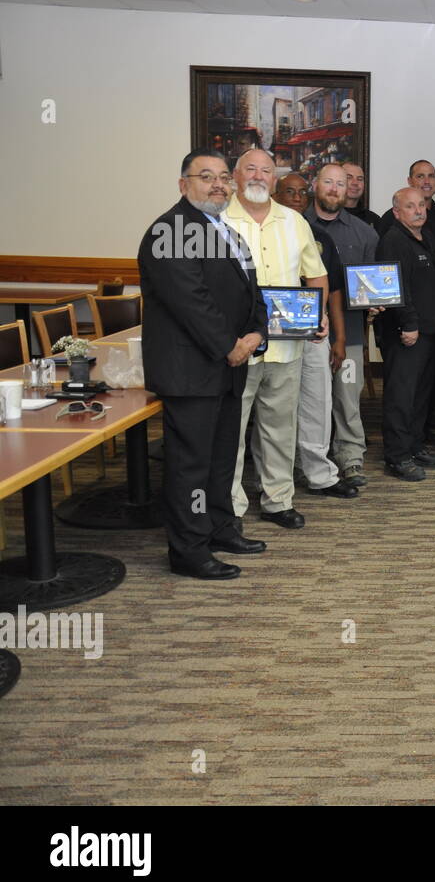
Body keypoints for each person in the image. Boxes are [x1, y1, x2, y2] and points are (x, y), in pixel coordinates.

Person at [137, 149, 268, 580]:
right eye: (205, 176)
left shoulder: (222, 229)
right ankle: (189, 550)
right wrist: (229, 344)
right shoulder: (169, 231)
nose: (218, 185)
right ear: (182, 184)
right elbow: (191, 301)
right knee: (190, 465)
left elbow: (251, 290)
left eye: (223, 178)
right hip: (192, 371)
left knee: (221, 458)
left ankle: (220, 527)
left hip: (229, 365)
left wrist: (255, 334)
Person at [222, 148, 329, 531]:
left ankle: (278, 500)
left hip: (286, 344)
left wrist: (320, 316)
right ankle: (230, 505)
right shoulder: (217, 219)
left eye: (265, 170)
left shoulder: (295, 221)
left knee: (280, 427)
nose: (257, 176)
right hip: (236, 346)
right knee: (230, 429)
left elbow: (315, 274)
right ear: (235, 176)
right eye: (249, 168)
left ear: (274, 179)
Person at [274, 175, 358, 502]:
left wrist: (338, 337)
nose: (296, 197)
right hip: (270, 330)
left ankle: (320, 474)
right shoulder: (256, 232)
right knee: (276, 407)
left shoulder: (316, 234)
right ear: (276, 195)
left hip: (312, 330)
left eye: (301, 193)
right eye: (288, 192)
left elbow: (332, 288)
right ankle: (281, 477)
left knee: (317, 402)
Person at [306, 163, 379, 489]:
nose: (335, 188)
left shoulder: (364, 233)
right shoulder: (296, 226)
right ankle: (303, 462)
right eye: (329, 182)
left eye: (341, 183)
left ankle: (350, 459)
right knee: (307, 403)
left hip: (348, 333)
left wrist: (377, 299)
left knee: (348, 399)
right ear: (315, 185)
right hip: (303, 338)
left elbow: (376, 281)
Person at [376, 187, 435, 481]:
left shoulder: (426, 236)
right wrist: (408, 324)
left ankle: (415, 446)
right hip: (407, 333)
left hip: (431, 331)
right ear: (397, 212)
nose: (419, 210)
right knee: (401, 396)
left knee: (420, 396)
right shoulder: (393, 241)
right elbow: (396, 287)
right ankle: (397, 456)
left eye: (421, 205)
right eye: (411, 206)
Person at [342, 161, 382, 230]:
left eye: (360, 179)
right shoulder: (327, 216)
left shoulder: (374, 220)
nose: (355, 183)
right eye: (349, 177)